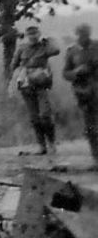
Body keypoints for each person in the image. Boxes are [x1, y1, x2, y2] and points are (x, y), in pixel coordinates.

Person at [11, 25, 60, 154]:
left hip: (42, 84)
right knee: (34, 117)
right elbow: (13, 65)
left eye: (35, 34)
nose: (33, 37)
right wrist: (20, 74)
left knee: (45, 115)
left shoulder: (44, 46)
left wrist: (48, 41)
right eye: (30, 35)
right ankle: (41, 145)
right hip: (26, 84)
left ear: (39, 34)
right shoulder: (21, 48)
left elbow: (56, 50)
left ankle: (51, 143)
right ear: (27, 36)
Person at [62, 23, 98, 168]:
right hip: (84, 93)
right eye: (80, 34)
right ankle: (96, 158)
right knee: (90, 127)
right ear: (77, 35)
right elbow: (65, 73)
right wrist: (76, 72)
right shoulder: (72, 51)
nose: (83, 37)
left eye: (86, 34)